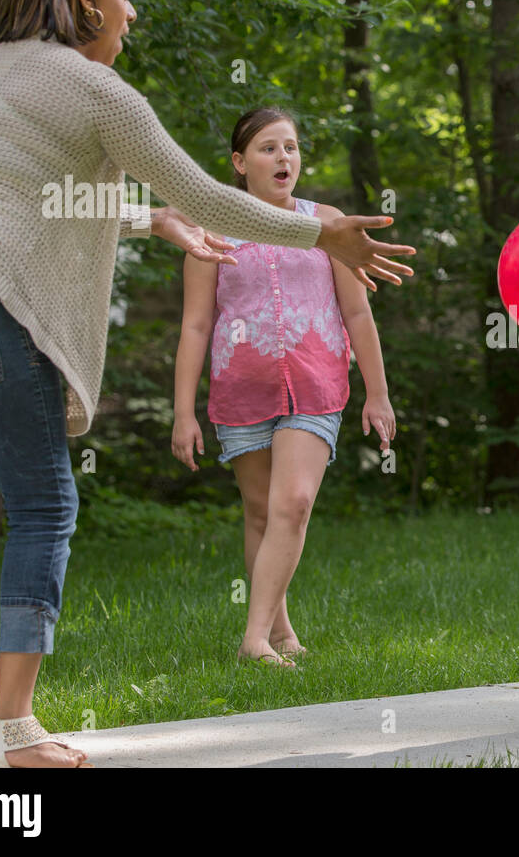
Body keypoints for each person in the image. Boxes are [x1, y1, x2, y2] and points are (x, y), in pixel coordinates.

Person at [0, 0, 414, 768]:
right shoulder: (99, 91)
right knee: (46, 506)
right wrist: (321, 232)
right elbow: (212, 194)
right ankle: (15, 728)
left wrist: (148, 220)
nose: (132, 12)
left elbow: (21, 198)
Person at [171, 107, 395, 667]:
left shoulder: (328, 223)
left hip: (316, 386)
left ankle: (252, 640)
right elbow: (196, 323)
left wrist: (379, 393)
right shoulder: (209, 230)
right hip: (240, 392)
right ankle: (282, 632)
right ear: (239, 162)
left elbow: (358, 314)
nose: (284, 158)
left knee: (292, 504)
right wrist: (183, 412)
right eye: (269, 148)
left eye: (291, 147)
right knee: (260, 514)